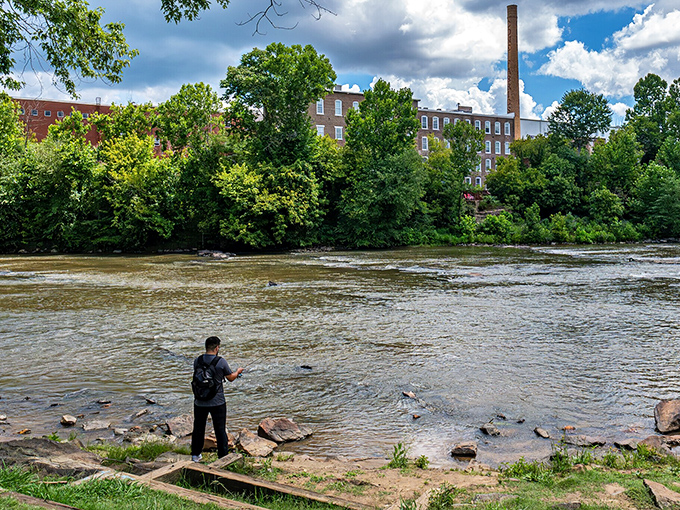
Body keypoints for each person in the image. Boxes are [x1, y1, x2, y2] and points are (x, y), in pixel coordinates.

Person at [191, 336, 243, 462]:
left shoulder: (197, 361)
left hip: (199, 401)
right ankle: (223, 456)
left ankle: (196, 455)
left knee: (198, 428)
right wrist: (238, 371)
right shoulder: (221, 362)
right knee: (220, 429)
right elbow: (230, 377)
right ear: (217, 348)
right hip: (217, 402)